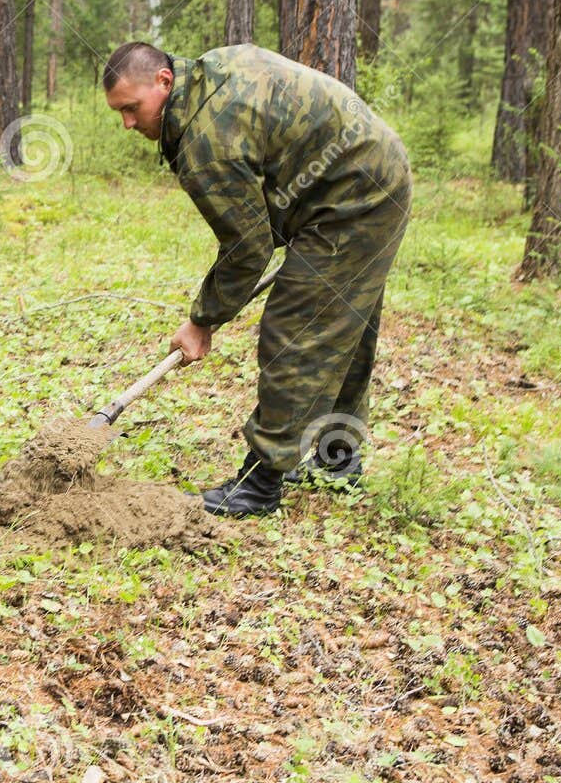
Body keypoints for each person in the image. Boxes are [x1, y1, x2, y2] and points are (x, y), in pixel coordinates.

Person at [102, 42, 412, 515]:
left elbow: (248, 249)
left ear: (164, 82)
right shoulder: (207, 78)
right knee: (343, 326)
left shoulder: (205, 139)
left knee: (296, 328)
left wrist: (203, 320)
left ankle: (259, 483)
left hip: (355, 196)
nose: (127, 123)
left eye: (131, 107)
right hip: (369, 172)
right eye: (119, 113)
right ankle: (339, 461)